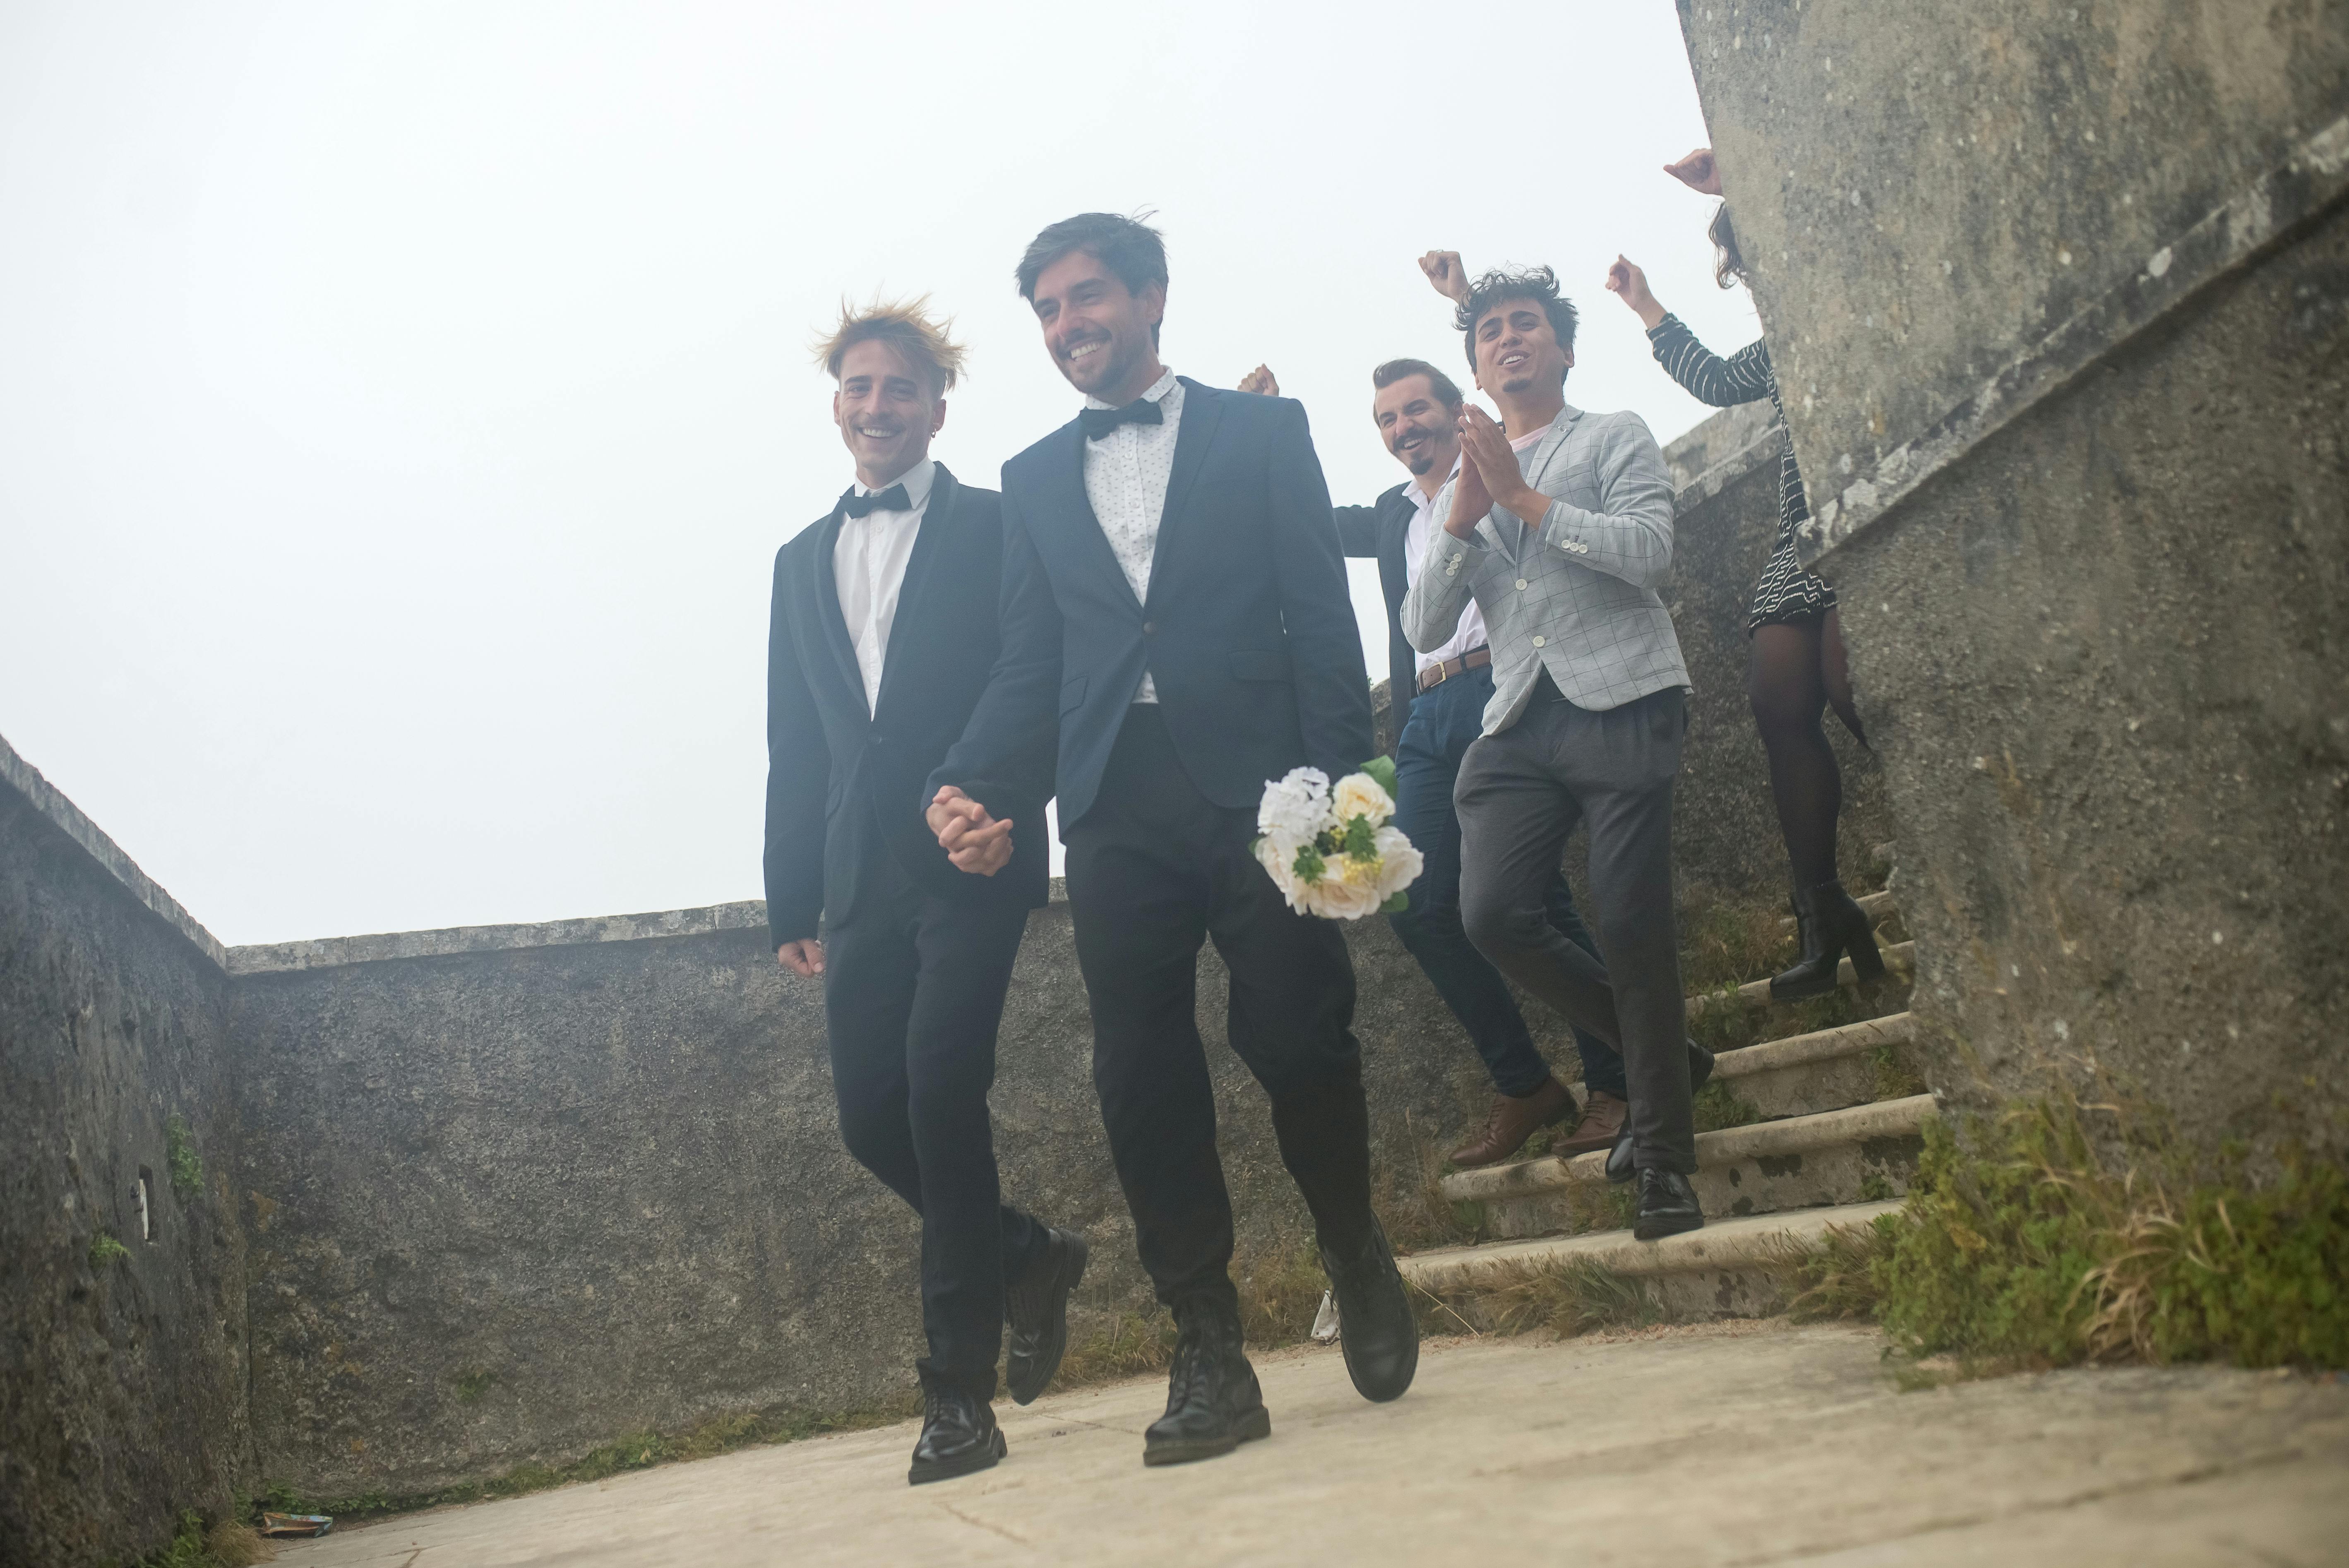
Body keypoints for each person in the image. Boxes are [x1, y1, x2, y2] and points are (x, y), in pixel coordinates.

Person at [927, 212, 1418, 1467]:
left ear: (1150, 297)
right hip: (1109, 805)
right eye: (1044, 310)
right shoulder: (1034, 477)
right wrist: (976, 778)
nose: (1065, 325)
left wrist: (1337, 787)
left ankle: (1353, 1245)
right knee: (1139, 1071)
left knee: (1298, 1033)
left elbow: (1318, 611)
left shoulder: (1264, 431)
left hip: (1262, 786)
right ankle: (1206, 1341)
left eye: (1084, 297)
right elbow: (1032, 658)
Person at [765, 301, 1086, 1487]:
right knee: (869, 1116)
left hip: (973, 851)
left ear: (936, 407)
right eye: (860, 386)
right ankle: (1027, 1251)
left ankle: (955, 1391)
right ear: (838, 404)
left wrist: (982, 794)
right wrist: (788, 894)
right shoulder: (800, 561)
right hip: (856, 877)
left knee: (943, 1092)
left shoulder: (1002, 527)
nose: (878, 405)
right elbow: (795, 739)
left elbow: (1026, 669)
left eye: (901, 387)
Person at [1238, 357, 1632, 1168]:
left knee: (1532, 895)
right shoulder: (1391, 515)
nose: (1402, 426)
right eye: (1387, 418)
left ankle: (1624, 1074)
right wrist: (1270, 428)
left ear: (1457, 412)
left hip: (1506, 685)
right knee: (1415, 901)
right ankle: (1525, 1082)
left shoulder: (1500, 470)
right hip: (1426, 712)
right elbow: (1307, 516)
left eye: (1416, 409)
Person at [1401, 259, 1708, 1241]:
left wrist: (1527, 500)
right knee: (1487, 911)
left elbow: (1653, 555)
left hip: (1622, 696)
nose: (1508, 338)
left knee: (1628, 918)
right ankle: (1661, 1049)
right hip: (1515, 719)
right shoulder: (1457, 485)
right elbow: (1422, 627)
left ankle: (1664, 1157)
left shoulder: (1612, 435)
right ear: (1478, 373)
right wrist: (1465, 510)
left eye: (1526, 323)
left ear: (1564, 348)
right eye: (1490, 333)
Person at [1606, 147, 1884, 998]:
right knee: (1776, 696)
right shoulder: (1780, 341)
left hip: (1868, 497)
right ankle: (1824, 909)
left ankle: (1951, 823)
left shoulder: (1858, 290)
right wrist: (1646, 305)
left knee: (1850, 683)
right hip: (1799, 531)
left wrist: (1739, 177)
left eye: (1761, 252)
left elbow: (1842, 196)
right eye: (1747, 263)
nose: (1756, 273)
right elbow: (1720, 379)